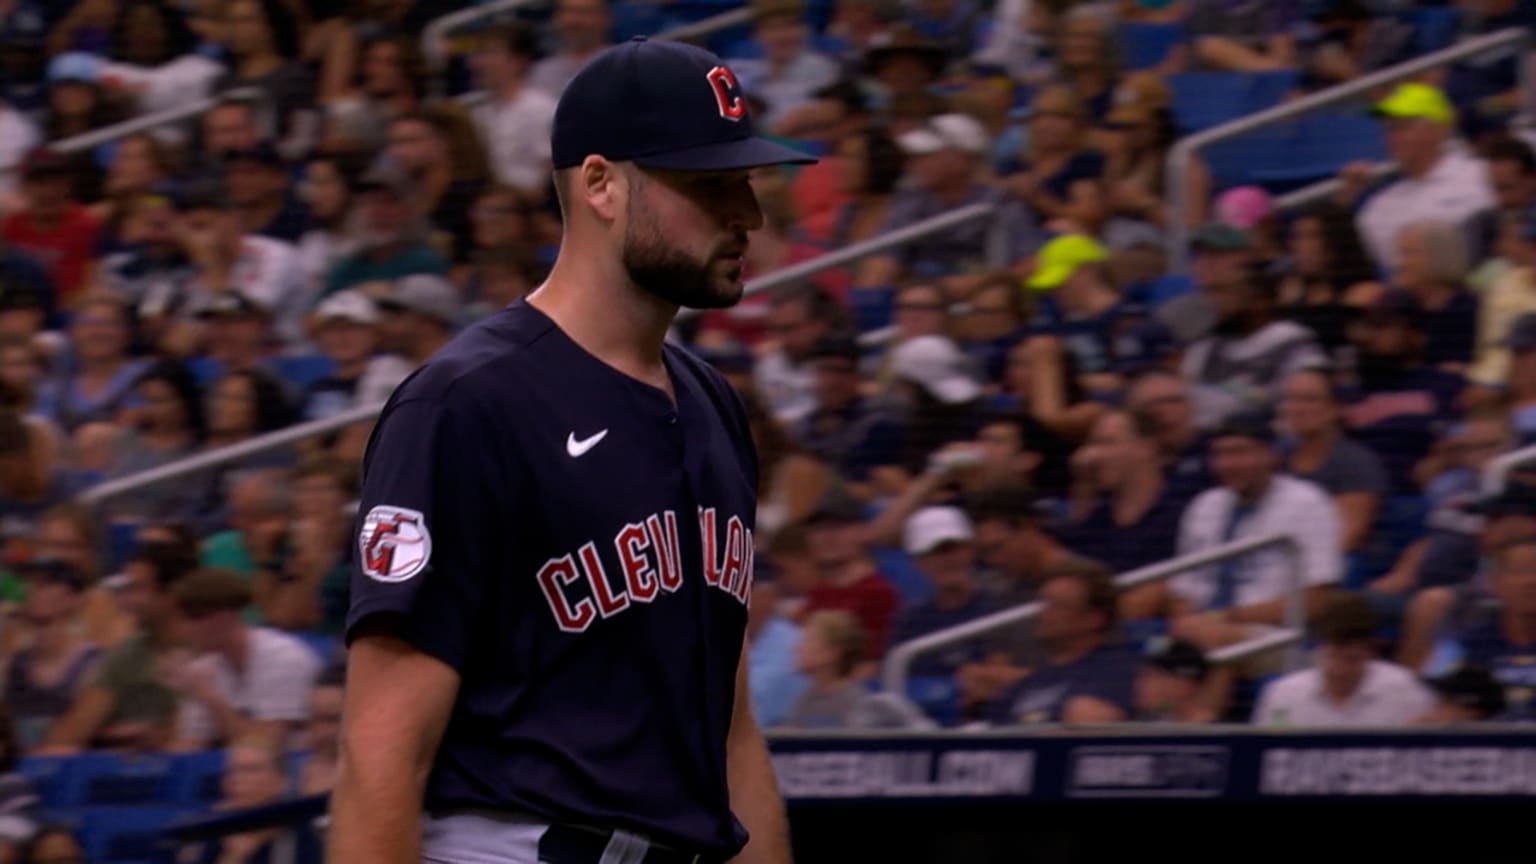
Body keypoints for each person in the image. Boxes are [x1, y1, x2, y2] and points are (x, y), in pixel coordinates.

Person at [330, 37, 811, 864]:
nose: (749, 216)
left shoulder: (713, 406)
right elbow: (381, 755)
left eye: (749, 182)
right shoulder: (468, 405)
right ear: (600, 185)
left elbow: (730, 734)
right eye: (711, 184)